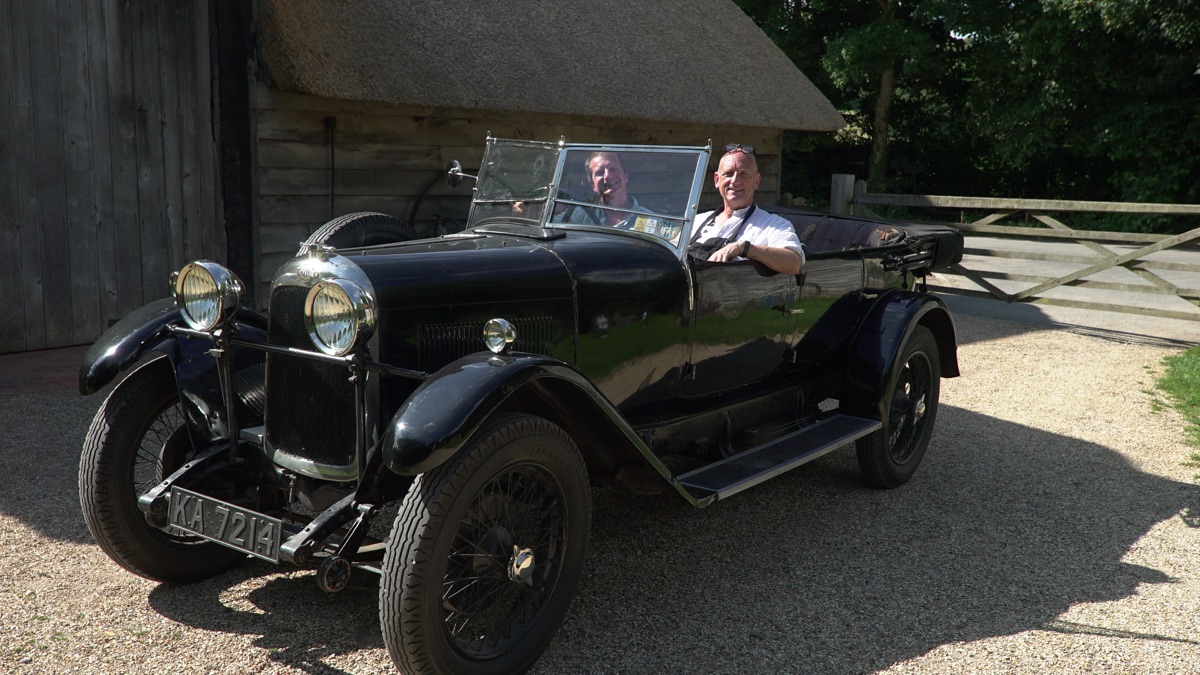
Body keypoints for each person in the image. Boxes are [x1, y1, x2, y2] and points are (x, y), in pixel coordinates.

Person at [690, 144, 805, 275]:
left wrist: (744, 248)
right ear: (717, 180)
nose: (735, 181)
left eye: (743, 174)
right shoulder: (695, 222)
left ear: (756, 181)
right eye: (728, 174)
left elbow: (794, 263)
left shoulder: (774, 225)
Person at [559, 151, 648, 228]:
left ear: (626, 176)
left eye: (613, 169)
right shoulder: (579, 216)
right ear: (593, 185)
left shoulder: (650, 221)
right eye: (599, 172)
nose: (607, 176)